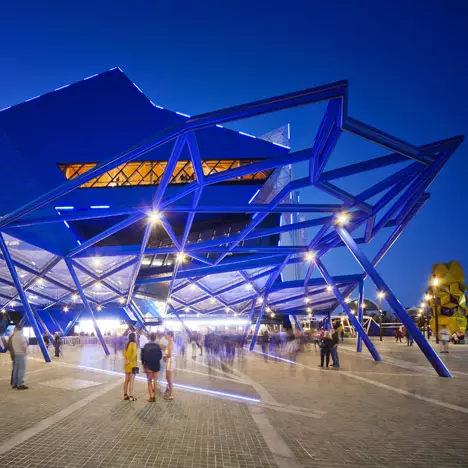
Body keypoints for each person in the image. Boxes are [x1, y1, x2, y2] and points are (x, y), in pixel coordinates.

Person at [141, 333, 163, 402]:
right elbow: (160, 356)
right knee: (155, 381)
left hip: (148, 366)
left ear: (149, 338)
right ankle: (155, 396)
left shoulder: (146, 346)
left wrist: (143, 365)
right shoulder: (158, 346)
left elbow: (142, 357)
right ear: (155, 338)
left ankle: (151, 397)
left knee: (149, 381)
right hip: (156, 365)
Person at [11, 324, 29, 390]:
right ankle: (20, 384)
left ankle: (14, 383)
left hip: (16, 354)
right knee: (21, 369)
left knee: (16, 369)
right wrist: (26, 354)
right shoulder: (20, 336)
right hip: (21, 354)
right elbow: (23, 346)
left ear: (16, 328)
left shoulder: (13, 336)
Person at [123, 332, 138, 401]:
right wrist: (130, 361)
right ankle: (131, 396)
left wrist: (126, 360)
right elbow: (134, 354)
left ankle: (125, 395)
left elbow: (124, 353)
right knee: (132, 381)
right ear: (134, 337)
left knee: (126, 380)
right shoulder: (134, 344)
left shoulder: (126, 344)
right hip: (132, 365)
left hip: (126, 365)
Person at [164, 331, 175, 400]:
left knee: (169, 378)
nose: (165, 336)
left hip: (170, 361)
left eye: (166, 335)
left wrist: (165, 356)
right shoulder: (170, 342)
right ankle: (170, 391)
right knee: (168, 377)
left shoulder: (170, 343)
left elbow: (169, 354)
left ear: (170, 335)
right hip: (169, 361)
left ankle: (171, 393)